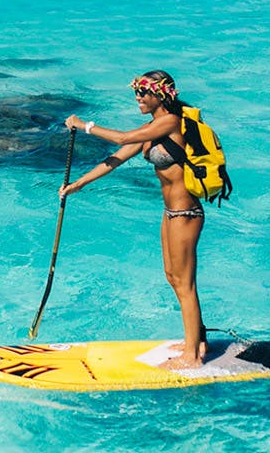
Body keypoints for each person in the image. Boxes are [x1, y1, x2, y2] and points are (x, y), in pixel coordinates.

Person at [61, 69, 208, 369]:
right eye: (136, 93)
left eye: (143, 92)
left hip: (187, 214)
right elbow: (115, 158)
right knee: (172, 277)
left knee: (184, 283)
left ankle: (192, 355)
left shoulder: (170, 122)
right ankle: (198, 339)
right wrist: (78, 185)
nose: (138, 98)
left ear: (161, 95)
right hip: (170, 213)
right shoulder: (154, 127)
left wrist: (84, 125)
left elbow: (122, 136)